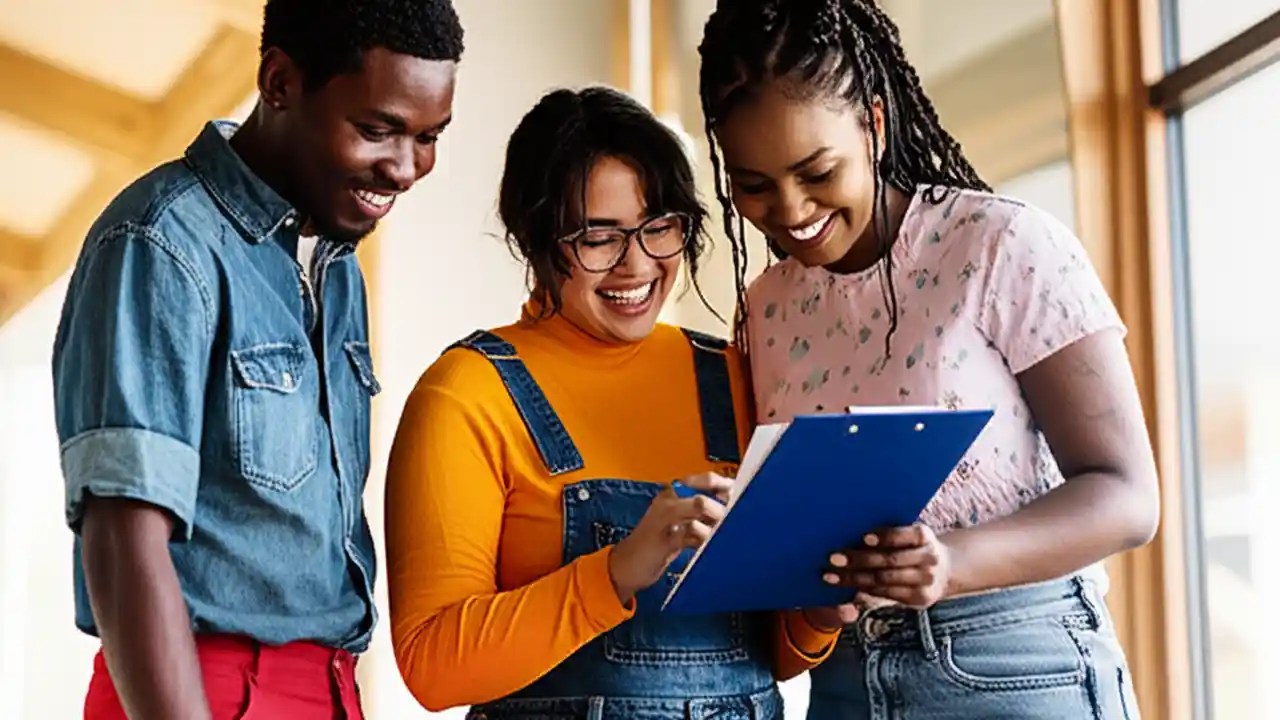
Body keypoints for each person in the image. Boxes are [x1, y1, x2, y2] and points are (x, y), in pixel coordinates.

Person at [696, 1, 1160, 717]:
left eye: (817, 171)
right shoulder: (766, 305)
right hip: (845, 678)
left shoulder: (1000, 245)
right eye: (753, 184)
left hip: (1014, 662)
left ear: (875, 122)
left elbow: (1128, 497)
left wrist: (951, 562)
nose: (789, 210)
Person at [385, 86, 853, 719]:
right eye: (598, 238)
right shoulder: (466, 392)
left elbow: (760, 651)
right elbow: (432, 666)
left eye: (660, 228)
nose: (638, 265)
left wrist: (821, 611)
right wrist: (614, 572)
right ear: (537, 240)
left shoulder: (737, 375)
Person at [51, 1, 463, 717]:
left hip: (329, 690)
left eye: (429, 137)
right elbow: (122, 540)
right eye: (377, 130)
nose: (405, 168)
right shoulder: (160, 242)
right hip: (197, 693)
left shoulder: (337, 270)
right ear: (279, 83)